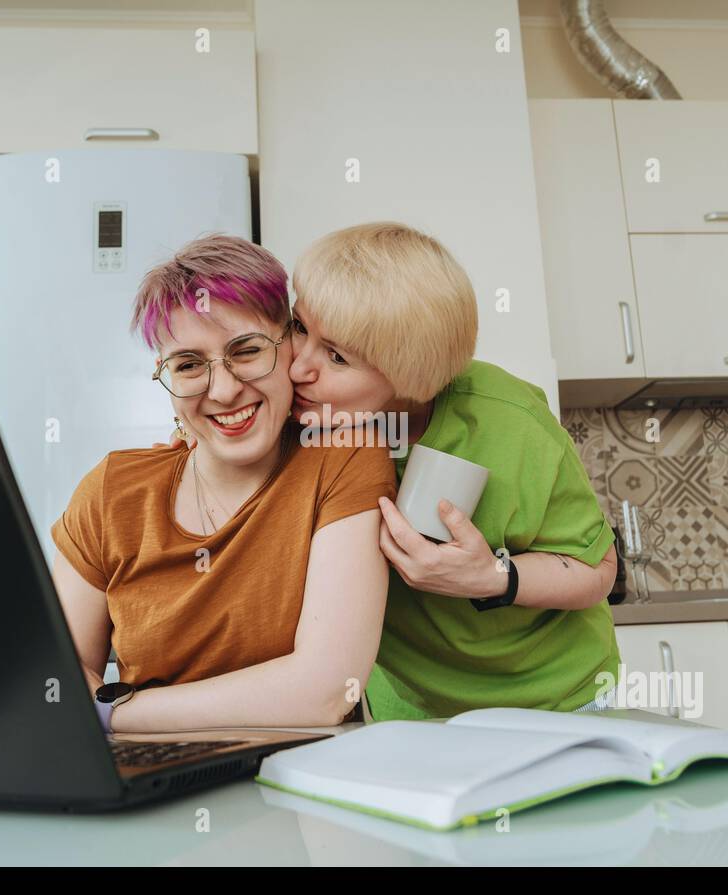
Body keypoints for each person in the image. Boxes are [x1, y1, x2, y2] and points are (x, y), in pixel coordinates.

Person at [49, 235, 396, 733]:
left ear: (290, 344)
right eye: (189, 365)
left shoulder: (342, 458)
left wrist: (112, 713)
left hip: (297, 782)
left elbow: (325, 691)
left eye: (247, 350)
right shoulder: (111, 491)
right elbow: (57, 680)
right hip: (142, 781)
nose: (225, 388)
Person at [287, 222, 619, 719]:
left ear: (406, 375)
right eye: (298, 327)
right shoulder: (299, 424)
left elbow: (598, 570)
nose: (298, 368)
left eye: (336, 356)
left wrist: (491, 577)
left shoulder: (509, 420)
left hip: (557, 702)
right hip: (411, 712)